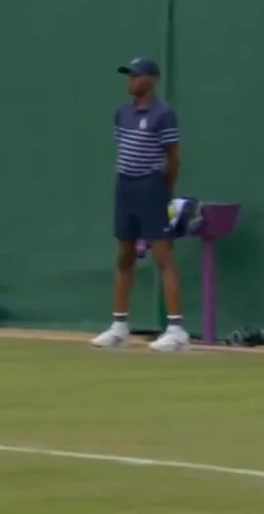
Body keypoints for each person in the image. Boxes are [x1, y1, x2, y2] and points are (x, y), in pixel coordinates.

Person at [92, 57, 187, 353]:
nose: (131, 81)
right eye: (129, 76)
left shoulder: (164, 115)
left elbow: (174, 159)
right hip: (125, 187)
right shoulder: (121, 114)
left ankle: (176, 330)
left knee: (163, 258)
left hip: (151, 187)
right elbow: (123, 149)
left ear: (152, 79)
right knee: (124, 256)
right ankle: (119, 327)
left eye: (136, 76)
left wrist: (163, 191)